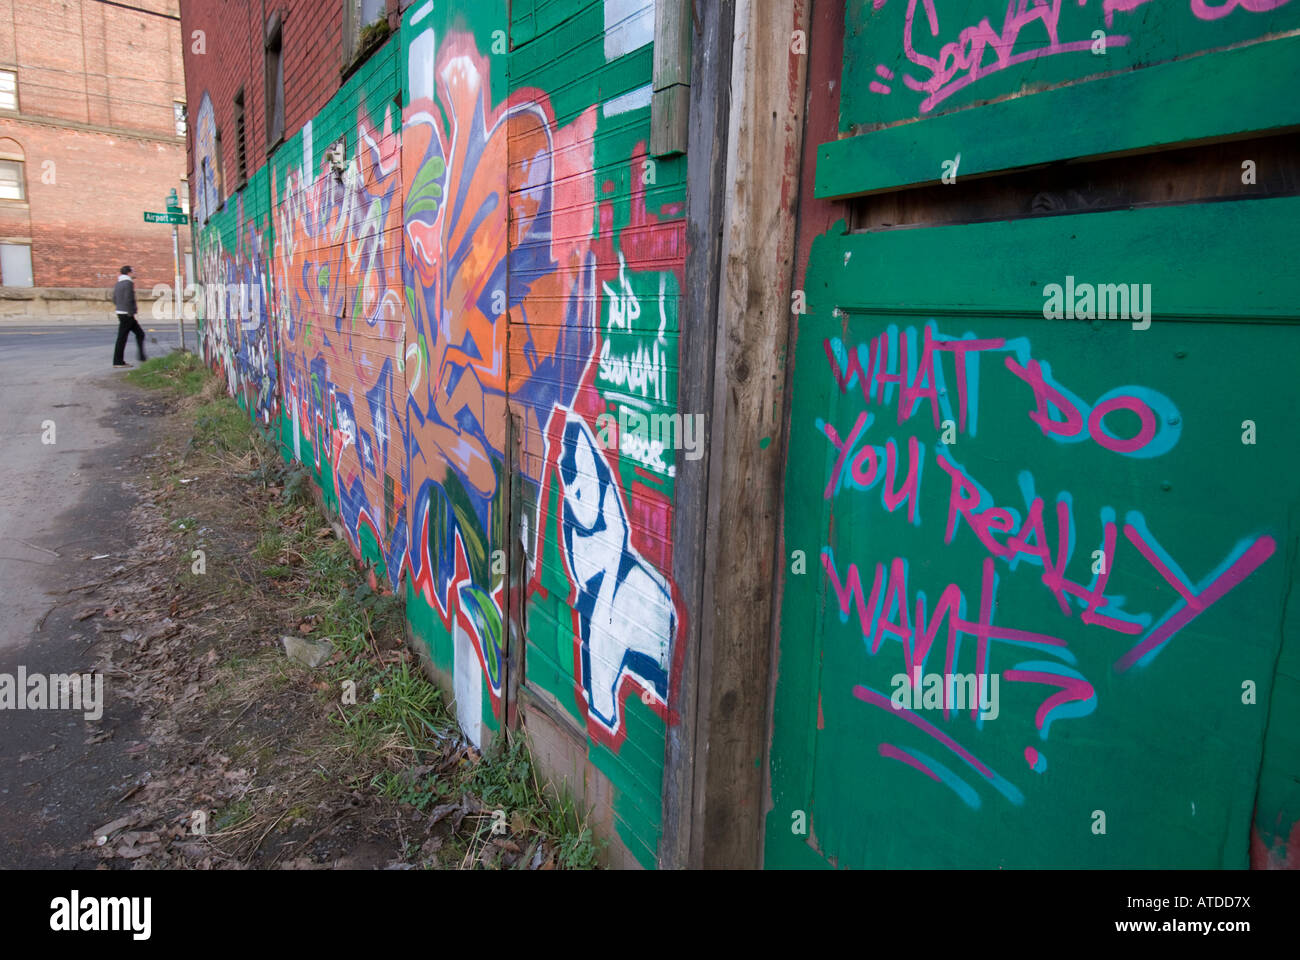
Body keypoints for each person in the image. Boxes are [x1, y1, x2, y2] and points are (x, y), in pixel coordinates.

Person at [112, 265, 147, 367]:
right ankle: (118, 361)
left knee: (139, 334)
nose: (134, 273)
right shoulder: (128, 283)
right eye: (133, 271)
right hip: (127, 314)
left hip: (120, 312)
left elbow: (114, 298)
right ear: (129, 273)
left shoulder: (118, 283)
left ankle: (141, 356)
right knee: (122, 337)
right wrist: (131, 312)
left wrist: (120, 307)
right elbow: (128, 298)